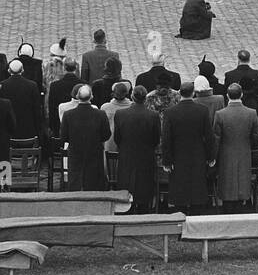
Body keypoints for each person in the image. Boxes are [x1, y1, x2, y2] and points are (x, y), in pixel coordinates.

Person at [161, 81, 216, 214]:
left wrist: (167, 160)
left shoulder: (170, 112)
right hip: (198, 154)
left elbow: (166, 139)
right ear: (193, 93)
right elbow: (209, 136)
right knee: (197, 187)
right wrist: (210, 157)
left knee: (180, 188)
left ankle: (181, 216)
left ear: (180, 93)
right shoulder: (202, 111)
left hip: (178, 156)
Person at [213, 82, 258, 211]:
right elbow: (256, 137)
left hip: (226, 154)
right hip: (244, 153)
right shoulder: (251, 113)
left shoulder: (220, 114)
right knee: (242, 181)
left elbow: (216, 139)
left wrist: (213, 157)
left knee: (227, 183)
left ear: (227, 96)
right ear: (242, 95)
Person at [114, 85, 160, 213]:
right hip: (146, 155)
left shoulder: (121, 114)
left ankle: (126, 209)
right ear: (145, 98)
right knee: (144, 184)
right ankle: (143, 209)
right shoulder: (153, 115)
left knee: (126, 182)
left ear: (132, 96)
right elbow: (156, 138)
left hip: (126, 154)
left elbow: (117, 137)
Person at [62, 84, 111, 190]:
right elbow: (106, 134)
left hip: (75, 151)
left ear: (77, 96)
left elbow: (64, 136)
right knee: (94, 182)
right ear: (91, 97)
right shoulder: (100, 114)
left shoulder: (68, 115)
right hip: (94, 151)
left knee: (76, 179)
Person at [0, 60, 44, 144]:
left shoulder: (2, 85)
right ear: (22, 70)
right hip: (28, 128)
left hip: (10, 130)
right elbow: (37, 109)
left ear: (9, 71)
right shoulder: (32, 85)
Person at [47, 57, 81, 134]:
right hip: (79, 123)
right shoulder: (83, 84)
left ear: (64, 68)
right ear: (76, 67)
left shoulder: (55, 85)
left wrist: (52, 126)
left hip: (60, 123)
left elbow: (51, 107)